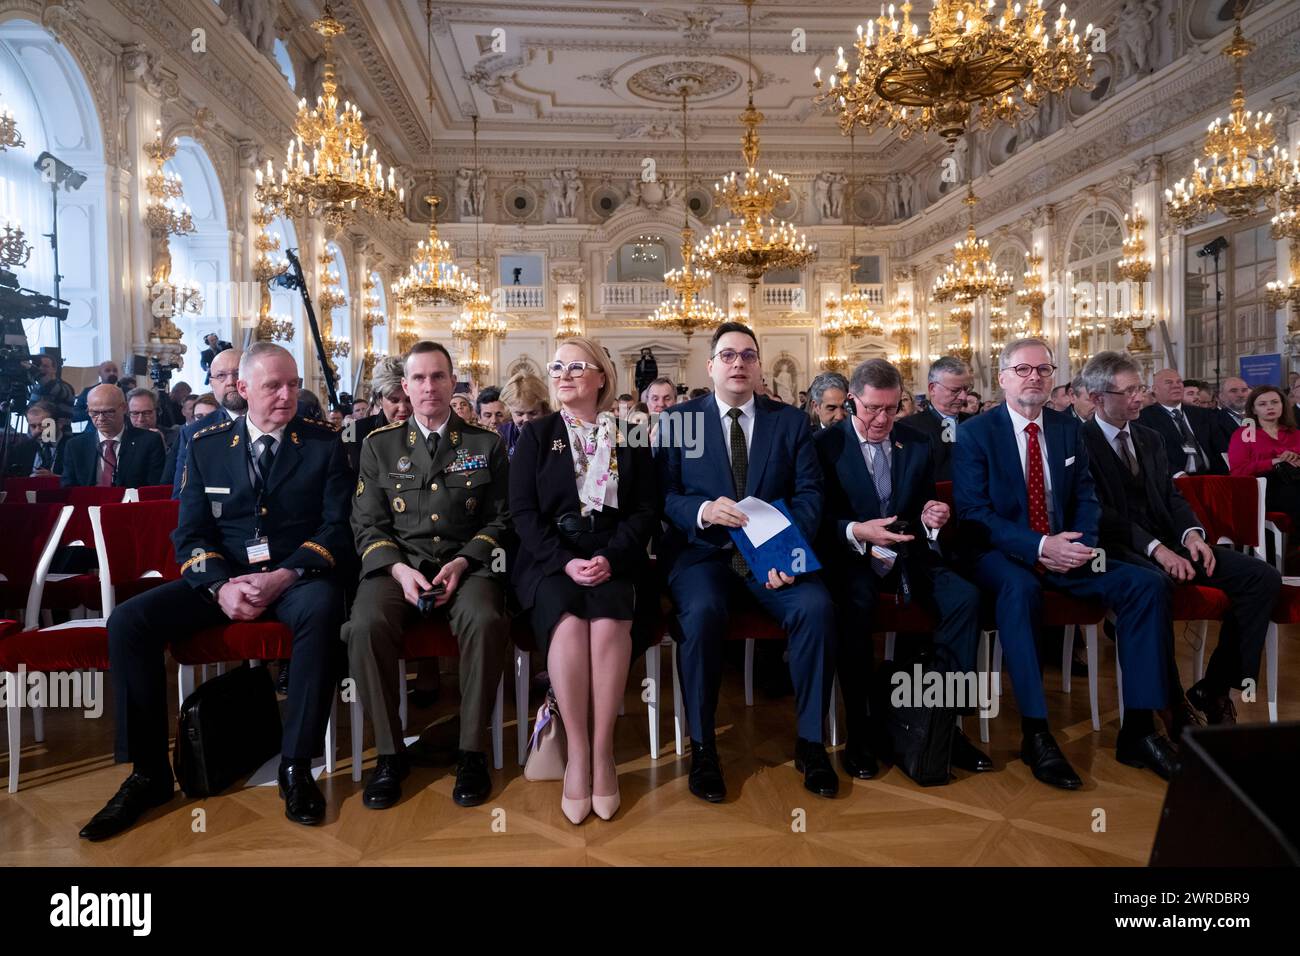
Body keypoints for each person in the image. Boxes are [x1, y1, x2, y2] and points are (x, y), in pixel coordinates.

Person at [79, 343, 352, 840]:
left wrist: (284, 576)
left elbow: (337, 528)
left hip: (295, 577)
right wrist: (221, 586)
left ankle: (296, 766)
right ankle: (148, 774)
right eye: (273, 385)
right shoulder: (204, 443)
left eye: (293, 383)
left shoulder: (322, 444)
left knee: (325, 608)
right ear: (243, 389)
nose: (287, 394)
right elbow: (189, 533)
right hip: (221, 576)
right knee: (129, 622)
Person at [952, 337, 1177, 788]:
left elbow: (1087, 498)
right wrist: (1040, 547)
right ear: (1002, 379)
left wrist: (1079, 546)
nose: (1034, 377)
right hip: (1003, 555)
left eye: (1043, 369)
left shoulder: (1067, 429)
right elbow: (975, 513)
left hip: (1069, 552)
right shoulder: (977, 432)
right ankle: (1037, 733)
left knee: (1145, 585)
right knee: (1021, 590)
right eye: (1023, 370)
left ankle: (1138, 730)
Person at [657, 321, 838, 802]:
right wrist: (701, 510)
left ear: (759, 366)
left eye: (749, 355)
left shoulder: (790, 422)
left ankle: (810, 743)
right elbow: (664, 496)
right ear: (711, 365)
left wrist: (787, 554)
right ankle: (703, 748)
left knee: (816, 609)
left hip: (773, 555)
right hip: (704, 554)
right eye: (729, 355)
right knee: (702, 614)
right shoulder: (680, 420)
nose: (739, 363)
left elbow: (809, 494)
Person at [345, 341, 512, 810]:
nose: (429, 387)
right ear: (404, 387)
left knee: (486, 620)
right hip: (397, 566)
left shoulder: (486, 444)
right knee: (364, 626)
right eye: (418, 378)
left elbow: (502, 519)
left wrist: (464, 562)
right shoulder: (380, 445)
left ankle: (471, 750)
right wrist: (398, 571)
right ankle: (390, 755)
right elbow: (367, 523)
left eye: (438, 377)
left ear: (452, 381)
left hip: (467, 564)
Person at [1083, 351, 1280, 728]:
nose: (1138, 398)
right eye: (1127, 392)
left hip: (1170, 543)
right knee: (1153, 587)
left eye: (1140, 388)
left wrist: (1193, 536)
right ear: (1096, 398)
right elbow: (1100, 514)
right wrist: (1156, 550)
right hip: (1118, 550)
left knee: (1262, 577)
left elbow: (1171, 497)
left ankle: (1215, 688)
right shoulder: (1078, 441)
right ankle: (1171, 706)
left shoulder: (1151, 438)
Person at [815, 358, 990, 781]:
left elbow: (922, 506)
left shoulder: (915, 441)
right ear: (853, 401)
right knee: (853, 607)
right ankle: (861, 731)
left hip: (908, 552)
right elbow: (816, 521)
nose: (882, 419)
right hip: (851, 555)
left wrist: (932, 516)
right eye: (873, 409)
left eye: (892, 409)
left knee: (965, 599)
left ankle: (945, 724)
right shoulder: (824, 446)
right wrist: (858, 531)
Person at [510, 336, 658, 823]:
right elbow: (523, 514)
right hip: (552, 558)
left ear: (601, 377)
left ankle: (602, 754)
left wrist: (613, 557)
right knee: (570, 623)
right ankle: (576, 755)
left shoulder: (629, 434)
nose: (565, 374)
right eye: (557, 367)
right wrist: (563, 561)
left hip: (614, 554)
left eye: (577, 366)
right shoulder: (537, 435)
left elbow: (645, 509)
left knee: (610, 622)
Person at [165, 349, 246, 495]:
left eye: (238, 373)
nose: (231, 382)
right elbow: (183, 497)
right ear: (211, 384)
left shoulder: (279, 419)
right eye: (221, 375)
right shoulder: (193, 433)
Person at [60, 384, 165, 488]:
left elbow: (154, 488)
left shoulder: (149, 441)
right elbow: (69, 490)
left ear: (124, 408)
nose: (101, 418)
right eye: (94, 412)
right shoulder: (75, 446)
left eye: (108, 412)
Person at [1138, 368, 1229, 478]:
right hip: (1174, 481)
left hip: (1212, 478)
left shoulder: (1204, 415)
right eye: (1169, 382)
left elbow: (1221, 448)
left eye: (1179, 382)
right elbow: (1150, 456)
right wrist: (1177, 474)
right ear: (1155, 389)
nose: (1176, 385)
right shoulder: (1144, 419)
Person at [1228, 384, 1300, 516]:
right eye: (1262, 404)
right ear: (1254, 410)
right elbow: (1238, 471)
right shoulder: (1245, 433)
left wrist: (1296, 458)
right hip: (1262, 489)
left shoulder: (1295, 433)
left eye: (1275, 402)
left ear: (1283, 405)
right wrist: (1275, 461)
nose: (1270, 407)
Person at [899, 356, 973, 481]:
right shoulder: (908, 427)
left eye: (966, 389)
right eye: (955, 390)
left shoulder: (975, 424)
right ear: (932, 389)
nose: (963, 397)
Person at [5, 401, 68, 477]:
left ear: (59, 424)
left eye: (43, 425)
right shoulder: (21, 449)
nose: (37, 430)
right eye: (33, 426)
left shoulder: (75, 448)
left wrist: (55, 478)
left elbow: (82, 481)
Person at [497, 372, 550, 459]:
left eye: (533, 413)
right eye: (519, 414)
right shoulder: (502, 434)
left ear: (544, 410)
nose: (526, 419)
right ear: (509, 411)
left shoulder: (555, 433)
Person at [126, 387, 179, 455]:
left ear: (157, 412)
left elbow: (178, 464)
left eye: (147, 412)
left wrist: (164, 447)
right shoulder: (122, 439)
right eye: (135, 413)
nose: (141, 419)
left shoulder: (175, 437)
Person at [29, 353, 76, 424]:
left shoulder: (66, 387)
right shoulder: (37, 387)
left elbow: (52, 388)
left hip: (60, 433)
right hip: (37, 433)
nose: (40, 369)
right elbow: (30, 413)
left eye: (45, 366)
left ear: (54, 369)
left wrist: (35, 372)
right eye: (38, 366)